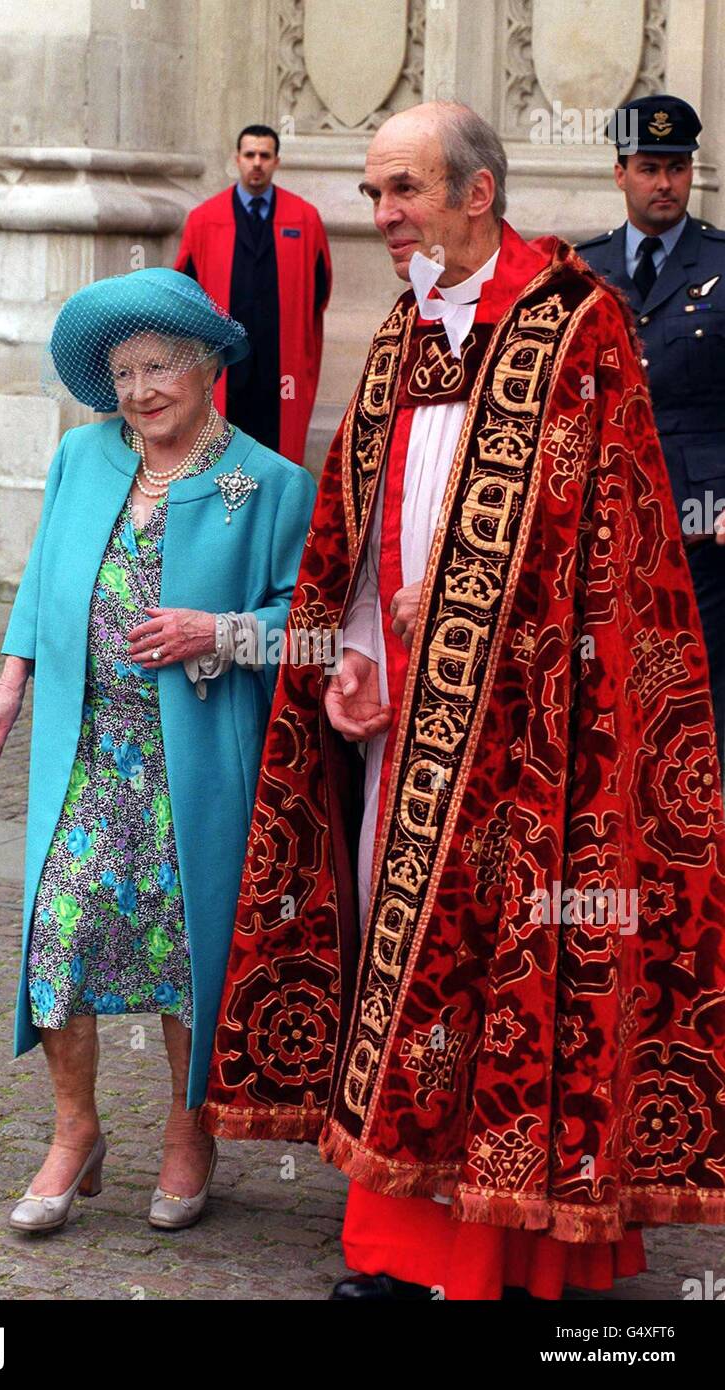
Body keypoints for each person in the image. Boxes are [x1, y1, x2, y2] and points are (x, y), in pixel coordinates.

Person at [199, 102, 725, 1300]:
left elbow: (613, 546)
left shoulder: (574, 325)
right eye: (374, 193)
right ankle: (398, 1240)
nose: (379, 216)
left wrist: (495, 646)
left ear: (475, 193)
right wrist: (346, 655)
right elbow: (354, 518)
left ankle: (503, 1250)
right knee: (410, 970)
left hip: (541, 747)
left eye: (401, 191)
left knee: (506, 976)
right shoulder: (395, 333)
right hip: (404, 741)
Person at [0, 267, 316, 1235]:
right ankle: (74, 1131)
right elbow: (43, 579)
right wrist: (9, 681)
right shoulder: (84, 460)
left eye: (157, 365)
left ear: (205, 369)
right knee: (57, 938)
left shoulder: (267, 484)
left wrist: (217, 631)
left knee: (186, 951)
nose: (137, 390)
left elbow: (307, 625)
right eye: (121, 373)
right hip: (86, 752)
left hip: (193, 761)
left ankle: (186, 1127)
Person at [576, 95, 725, 769]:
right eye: (648, 167)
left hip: (705, 516)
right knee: (613, 676)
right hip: (607, 511)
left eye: (677, 168)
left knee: (702, 684)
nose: (664, 183)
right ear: (619, 173)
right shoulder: (584, 271)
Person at [174, 124, 332, 464]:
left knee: (276, 456)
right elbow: (185, 294)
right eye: (250, 155)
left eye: (264, 155)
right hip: (225, 364)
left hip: (280, 365)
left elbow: (319, 293)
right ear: (237, 159)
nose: (256, 163)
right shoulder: (204, 220)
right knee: (219, 451)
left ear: (276, 161)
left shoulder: (304, 219)